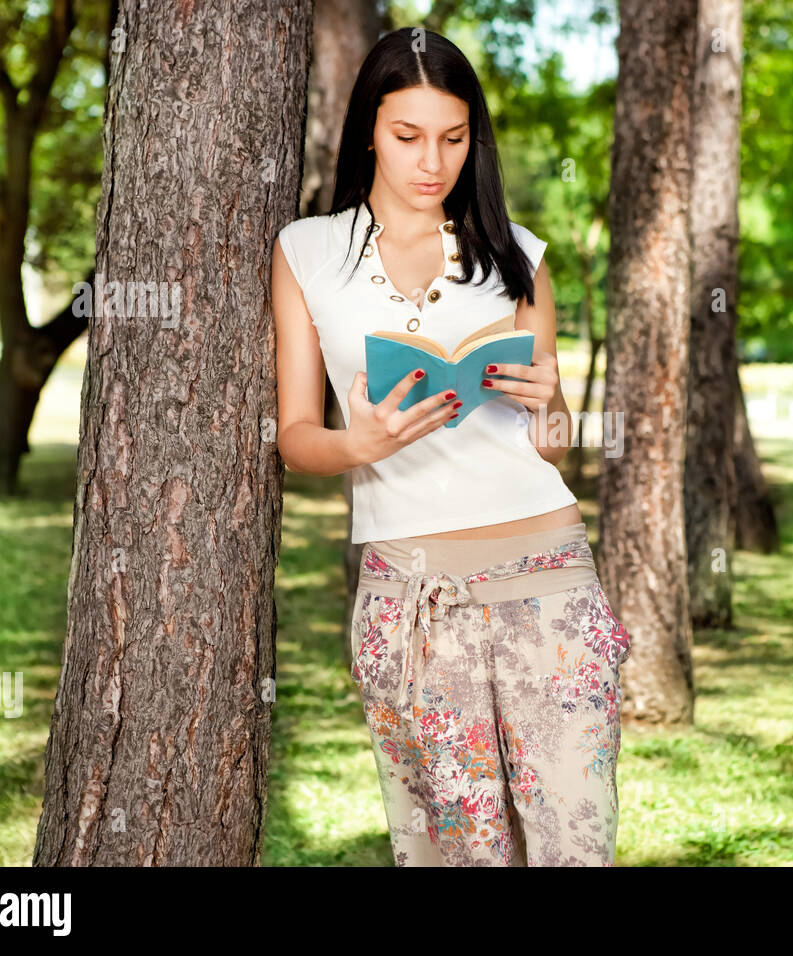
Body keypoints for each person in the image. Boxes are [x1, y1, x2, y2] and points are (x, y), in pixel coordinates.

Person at [270, 27, 631, 866]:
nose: (433, 161)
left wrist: (551, 405)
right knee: (453, 850)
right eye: (408, 136)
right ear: (369, 130)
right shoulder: (307, 253)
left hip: (550, 581)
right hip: (414, 596)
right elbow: (294, 438)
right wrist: (358, 443)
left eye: (454, 138)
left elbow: (553, 447)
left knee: (576, 844)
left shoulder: (518, 256)